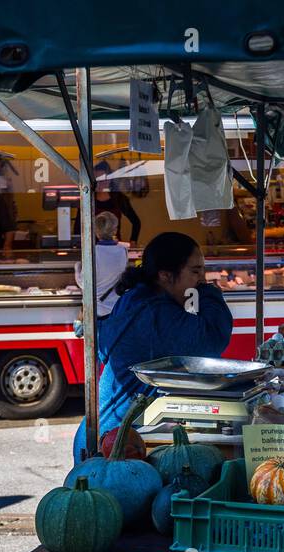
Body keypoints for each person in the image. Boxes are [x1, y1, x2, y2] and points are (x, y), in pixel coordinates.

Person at [71, 232, 234, 462]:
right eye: (195, 271)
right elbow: (213, 337)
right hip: (114, 443)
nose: (201, 279)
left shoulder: (135, 298)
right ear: (165, 275)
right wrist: (209, 293)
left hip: (100, 431)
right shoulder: (156, 315)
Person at [74, 211, 130, 318]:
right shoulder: (123, 250)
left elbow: (84, 283)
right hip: (118, 308)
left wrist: (77, 267)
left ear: (96, 232)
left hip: (97, 310)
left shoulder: (92, 252)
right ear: (115, 230)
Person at [73, 161, 143, 245]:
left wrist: (133, 241)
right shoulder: (87, 199)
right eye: (96, 180)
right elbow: (77, 227)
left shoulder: (119, 198)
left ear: (109, 180)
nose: (99, 183)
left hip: (114, 247)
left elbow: (136, 222)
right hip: (92, 251)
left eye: (102, 179)